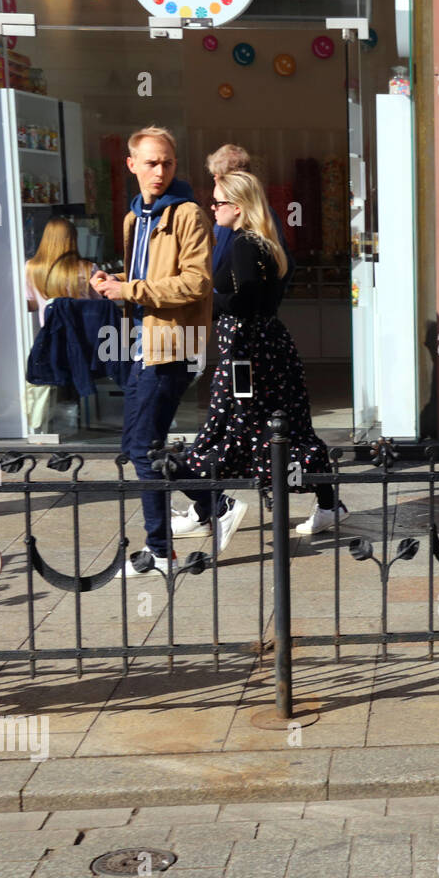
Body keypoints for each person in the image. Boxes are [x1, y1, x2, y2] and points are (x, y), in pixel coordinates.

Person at [168, 170, 346, 537]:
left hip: (248, 352)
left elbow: (246, 301)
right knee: (284, 429)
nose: (212, 208)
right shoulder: (264, 241)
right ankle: (325, 504)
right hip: (265, 347)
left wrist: (204, 301)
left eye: (217, 202)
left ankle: (210, 505)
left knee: (230, 428)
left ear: (237, 206)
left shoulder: (243, 245)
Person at [90, 126, 215, 579]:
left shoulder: (188, 215)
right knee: (139, 445)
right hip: (141, 342)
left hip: (174, 344)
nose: (159, 171)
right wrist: (114, 283)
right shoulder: (134, 218)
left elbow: (198, 283)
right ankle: (213, 502)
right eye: (150, 162)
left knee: (143, 448)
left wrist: (133, 287)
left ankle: (160, 551)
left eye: (167, 162)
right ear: (132, 165)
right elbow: (143, 276)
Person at [24, 217, 97, 432]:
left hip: (50, 340)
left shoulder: (31, 268)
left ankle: (46, 428)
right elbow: (99, 304)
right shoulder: (87, 268)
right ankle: (81, 423)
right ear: (72, 240)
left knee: (49, 382)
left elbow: (29, 305)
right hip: (83, 341)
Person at [204, 144, 295, 308]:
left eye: (216, 176)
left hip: (236, 319)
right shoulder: (265, 217)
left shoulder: (239, 234)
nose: (213, 207)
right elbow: (285, 266)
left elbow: (216, 272)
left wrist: (209, 302)